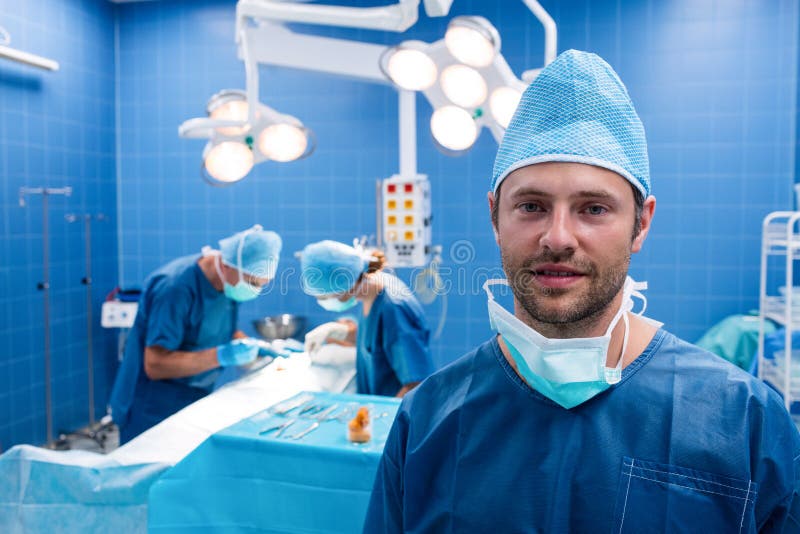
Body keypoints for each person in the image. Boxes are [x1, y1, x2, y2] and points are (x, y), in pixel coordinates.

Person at [364, 50, 800, 532]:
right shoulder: (426, 422)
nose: (558, 237)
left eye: (593, 209)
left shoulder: (741, 421)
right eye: (531, 205)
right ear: (495, 217)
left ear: (642, 223)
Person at [109, 224, 282, 444]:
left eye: (261, 285)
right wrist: (222, 355)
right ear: (228, 265)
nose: (255, 290)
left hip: (193, 397)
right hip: (151, 406)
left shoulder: (228, 285)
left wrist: (256, 347)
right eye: (252, 283)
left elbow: (217, 329)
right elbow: (156, 365)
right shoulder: (175, 288)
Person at [299, 240, 434, 397]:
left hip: (399, 413)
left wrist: (386, 416)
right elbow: (376, 342)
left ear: (347, 286)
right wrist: (338, 332)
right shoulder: (371, 290)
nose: (324, 301)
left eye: (325, 296)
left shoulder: (393, 308)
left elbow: (416, 384)